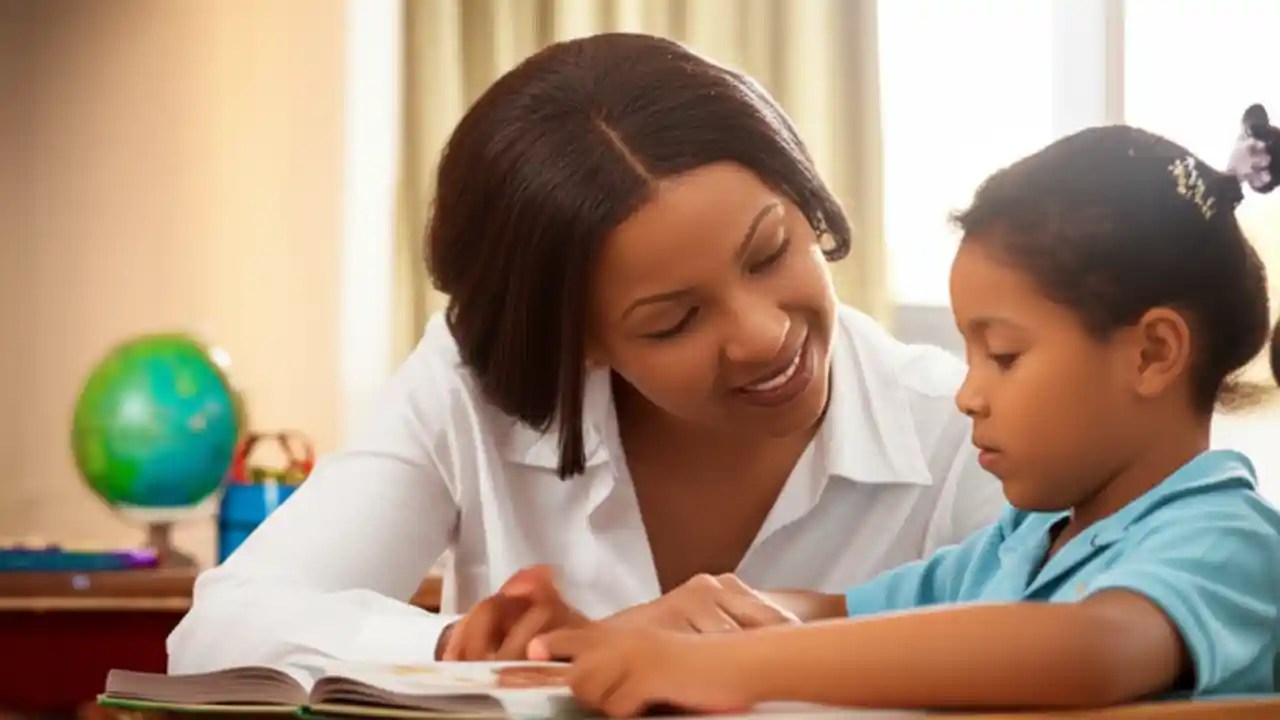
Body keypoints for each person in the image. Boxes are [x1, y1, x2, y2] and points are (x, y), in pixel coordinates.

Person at [165, 32, 1005, 672]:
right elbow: (221, 631)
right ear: (577, 346)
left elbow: (1090, 646)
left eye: (770, 251)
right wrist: (476, 650)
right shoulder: (476, 388)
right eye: (673, 321)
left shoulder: (959, 430)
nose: (763, 334)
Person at [528, 119, 1280, 714]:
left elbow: (1090, 649)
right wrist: (605, 636)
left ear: (1152, 353)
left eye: (1005, 356)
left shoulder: (1225, 541)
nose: (967, 394)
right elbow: (825, 614)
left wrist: (727, 663)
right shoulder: (1018, 546)